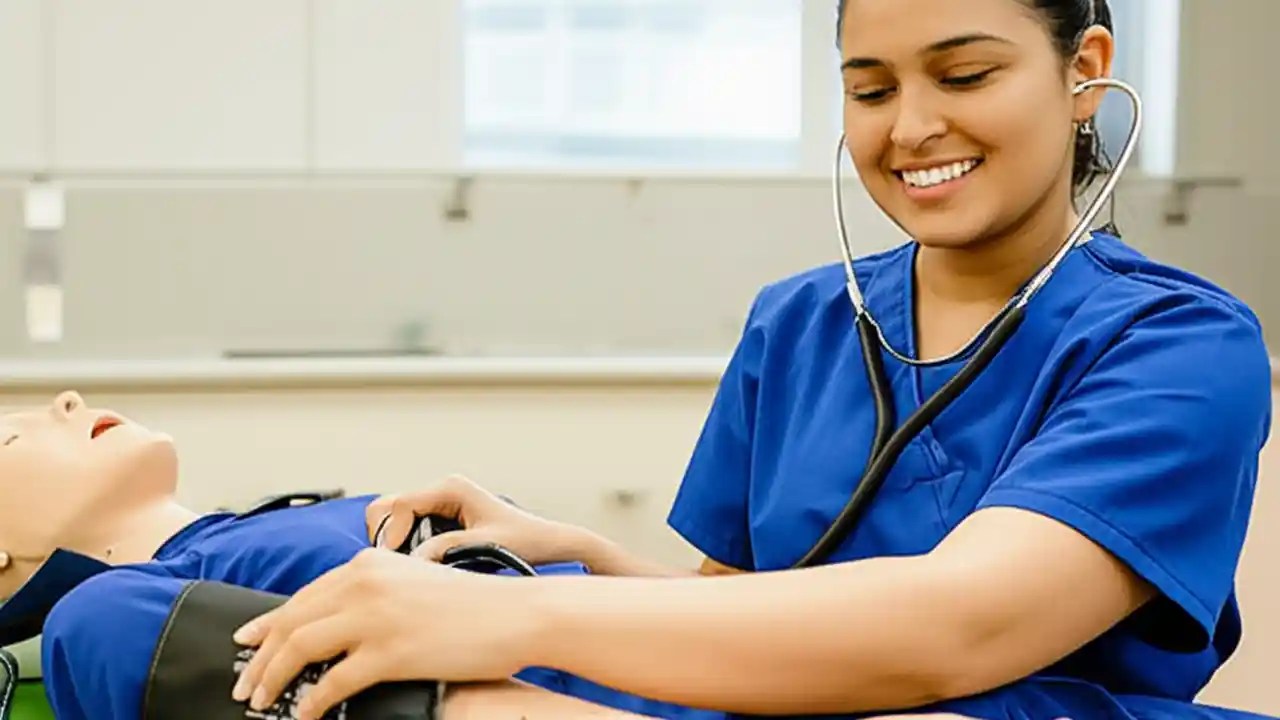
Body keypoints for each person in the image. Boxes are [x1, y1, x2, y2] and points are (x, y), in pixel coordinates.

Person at [228, 1, 1278, 719]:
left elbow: (958, 628)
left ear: (1083, 72)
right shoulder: (802, 321)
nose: (911, 126)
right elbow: (734, 621)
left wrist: (516, 612)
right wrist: (581, 555)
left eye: (963, 73)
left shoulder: (1178, 347)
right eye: (868, 91)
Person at [0, 390, 675, 719]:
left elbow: (754, 621)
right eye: (11, 437)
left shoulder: (273, 527)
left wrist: (591, 552)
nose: (68, 399)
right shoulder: (117, 619)